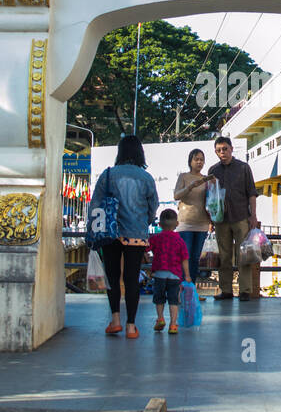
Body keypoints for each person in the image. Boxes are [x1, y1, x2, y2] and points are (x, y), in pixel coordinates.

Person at [90, 134, 159, 338]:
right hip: (136, 234)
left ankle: (115, 320)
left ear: (119, 152)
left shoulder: (108, 174)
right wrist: (143, 222)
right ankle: (131, 326)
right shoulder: (146, 177)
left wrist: (93, 230)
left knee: (112, 276)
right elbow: (153, 207)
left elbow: (95, 204)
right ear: (140, 153)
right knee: (131, 278)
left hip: (111, 233)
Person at [207, 135, 260, 301]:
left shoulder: (243, 168)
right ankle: (226, 290)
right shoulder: (212, 171)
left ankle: (245, 290)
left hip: (241, 216)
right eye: (219, 150)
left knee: (244, 255)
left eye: (225, 149)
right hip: (220, 219)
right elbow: (210, 197)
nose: (222, 152)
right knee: (224, 256)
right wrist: (211, 219)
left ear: (231, 149)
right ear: (216, 152)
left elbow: (251, 193)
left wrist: (253, 215)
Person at [173, 148, 213, 295]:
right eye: (196, 159)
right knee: (185, 257)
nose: (199, 162)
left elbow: (211, 200)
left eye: (202, 159)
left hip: (202, 223)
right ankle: (182, 289)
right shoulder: (184, 177)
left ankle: (192, 291)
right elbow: (176, 195)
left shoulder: (206, 179)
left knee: (195, 258)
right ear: (190, 161)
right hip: (185, 223)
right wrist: (190, 187)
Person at [148, 209, 189, 334]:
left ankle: (160, 318)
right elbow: (184, 259)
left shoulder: (155, 238)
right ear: (177, 224)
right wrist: (187, 275)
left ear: (159, 224)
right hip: (175, 276)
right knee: (173, 300)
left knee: (159, 298)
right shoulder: (180, 241)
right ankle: (173, 324)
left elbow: (145, 248)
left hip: (159, 274)